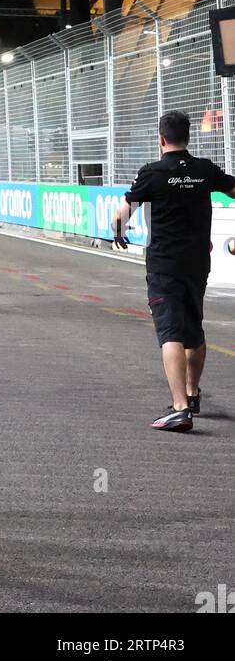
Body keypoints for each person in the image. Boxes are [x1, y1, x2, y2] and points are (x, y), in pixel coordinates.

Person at [111, 110, 235, 431]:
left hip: (164, 265)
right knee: (194, 328)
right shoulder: (204, 169)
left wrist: (118, 231)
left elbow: (122, 213)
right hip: (197, 263)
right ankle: (193, 394)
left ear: (161, 139)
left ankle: (180, 408)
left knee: (170, 332)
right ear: (188, 137)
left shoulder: (152, 173)